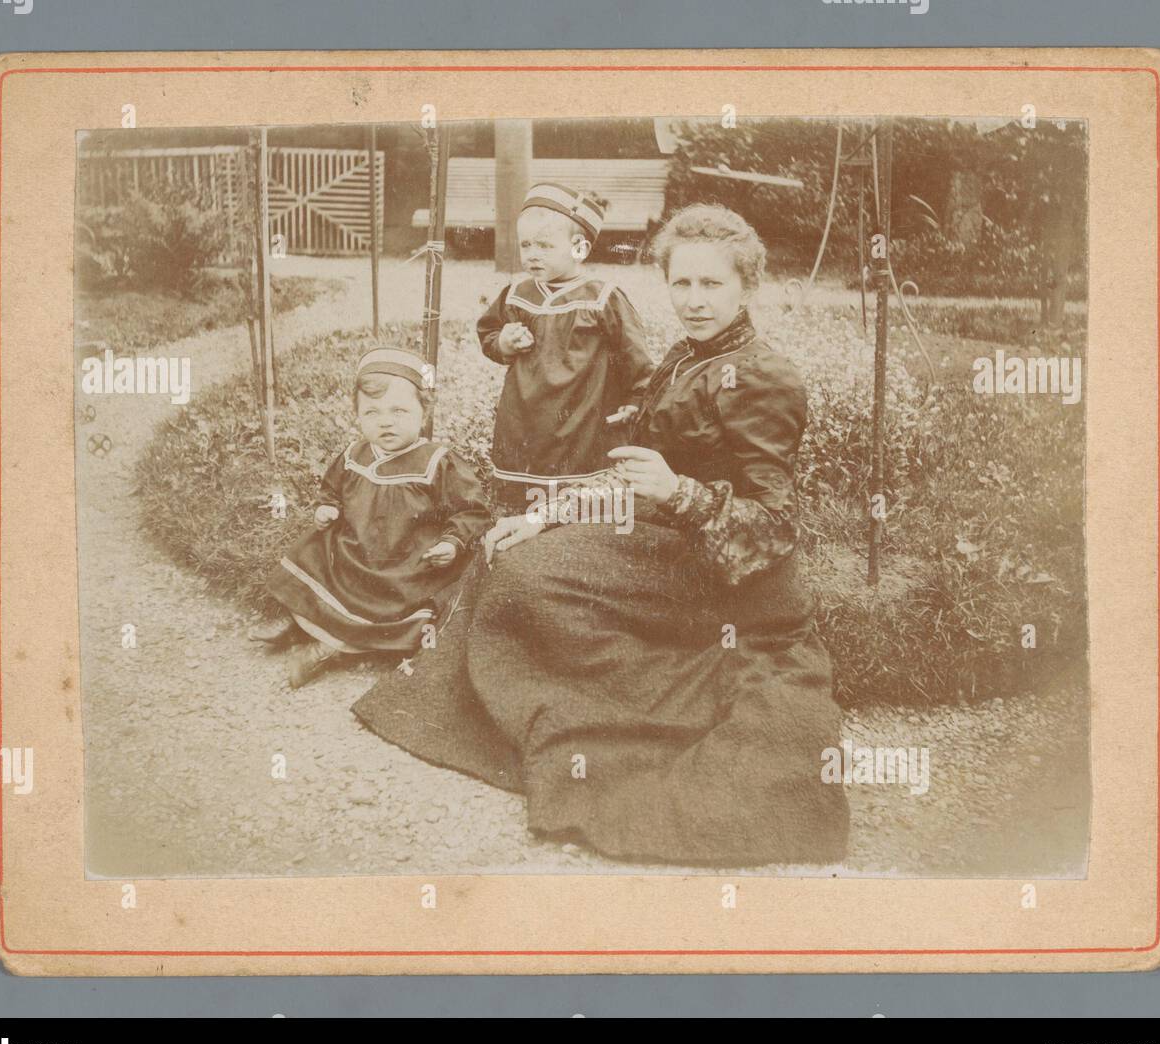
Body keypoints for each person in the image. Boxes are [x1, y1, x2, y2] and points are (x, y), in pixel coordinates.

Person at [353, 205, 849, 866]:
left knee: (529, 580)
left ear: (746, 288)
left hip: (727, 578)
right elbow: (631, 472)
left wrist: (680, 492)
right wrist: (543, 513)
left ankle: (617, 705)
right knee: (512, 554)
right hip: (665, 539)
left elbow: (776, 527)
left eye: (712, 286)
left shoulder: (762, 377)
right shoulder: (683, 358)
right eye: (682, 284)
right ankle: (558, 694)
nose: (694, 301)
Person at [252, 347, 493, 689]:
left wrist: (451, 542)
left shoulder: (437, 461)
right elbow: (332, 487)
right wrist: (328, 507)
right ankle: (298, 621)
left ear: (424, 413)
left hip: (406, 563)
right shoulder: (354, 454)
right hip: (356, 551)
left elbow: (472, 510)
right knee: (314, 551)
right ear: (358, 416)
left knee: (398, 606)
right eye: (372, 412)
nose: (385, 421)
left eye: (399, 411)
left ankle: (328, 648)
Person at [477, 181, 654, 512]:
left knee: (577, 499)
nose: (532, 254)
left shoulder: (602, 297)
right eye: (526, 244)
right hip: (524, 412)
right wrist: (503, 341)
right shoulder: (516, 294)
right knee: (522, 497)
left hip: (582, 417)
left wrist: (636, 399)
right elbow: (488, 332)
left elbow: (636, 357)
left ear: (579, 249)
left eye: (544, 245)